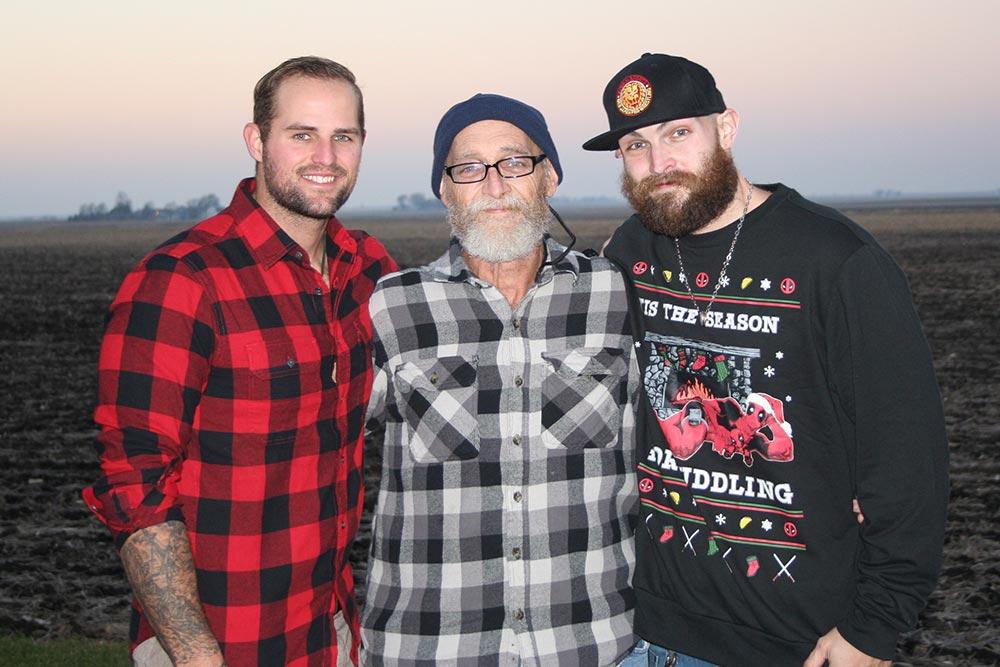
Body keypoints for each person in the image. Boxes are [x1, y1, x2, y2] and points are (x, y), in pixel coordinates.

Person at [584, 53, 949, 666]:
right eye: (635, 146)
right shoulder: (630, 250)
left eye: (678, 133)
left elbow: (907, 456)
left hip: (794, 642)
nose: (658, 162)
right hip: (642, 632)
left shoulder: (835, 259)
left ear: (726, 128)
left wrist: (874, 629)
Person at [83, 56, 396, 667]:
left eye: (344, 136)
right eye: (301, 134)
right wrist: (195, 653)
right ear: (256, 141)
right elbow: (135, 481)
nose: (326, 156)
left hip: (329, 629)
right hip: (218, 640)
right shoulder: (183, 279)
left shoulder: (366, 270)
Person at [360, 94, 639, 665]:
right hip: (430, 647)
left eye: (514, 162)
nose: (494, 186)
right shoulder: (393, 306)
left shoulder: (617, 295)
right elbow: (312, 446)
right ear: (445, 191)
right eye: (468, 169)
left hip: (593, 646)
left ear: (549, 177)